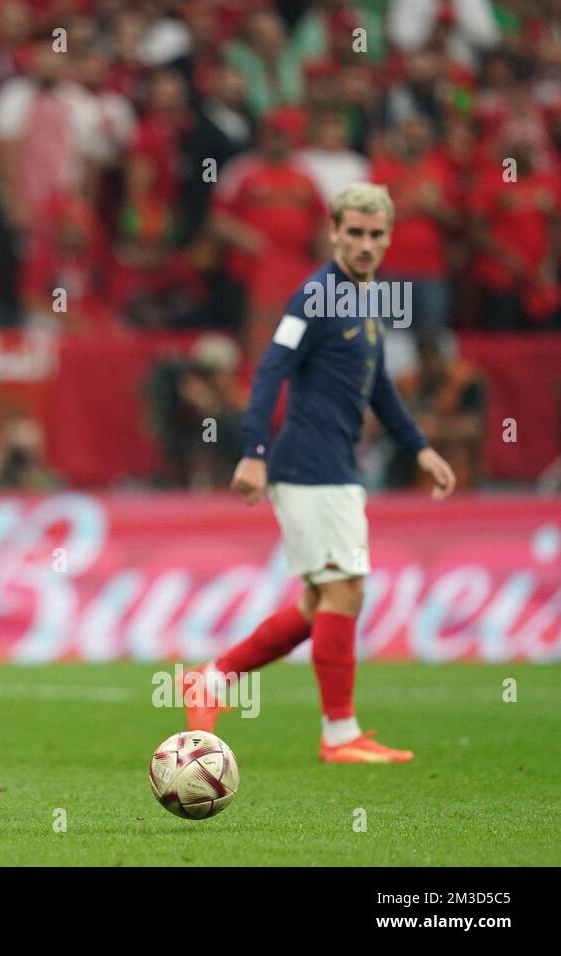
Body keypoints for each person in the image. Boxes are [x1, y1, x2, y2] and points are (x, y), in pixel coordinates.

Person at [185, 182, 456, 764]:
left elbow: (377, 385)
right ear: (333, 232)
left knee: (318, 603)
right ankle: (339, 734)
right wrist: (254, 451)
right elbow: (268, 371)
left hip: (335, 465)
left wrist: (420, 448)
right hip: (308, 464)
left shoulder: (369, 298)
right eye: (353, 232)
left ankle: (211, 680)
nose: (364, 244)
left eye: (375, 234)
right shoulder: (316, 295)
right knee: (345, 589)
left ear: (388, 238)